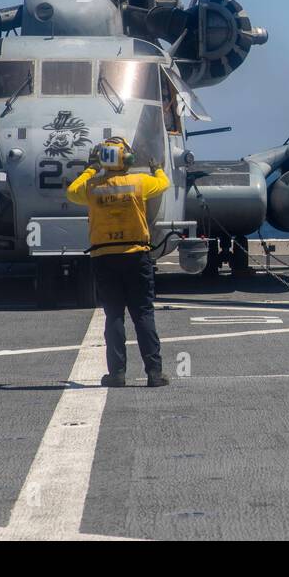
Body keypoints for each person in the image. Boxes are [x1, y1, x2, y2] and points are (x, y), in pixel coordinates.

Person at [66, 137, 171, 388]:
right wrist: (157, 168)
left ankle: (117, 374)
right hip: (136, 255)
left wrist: (91, 169)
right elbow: (164, 184)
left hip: (104, 257)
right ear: (128, 160)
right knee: (143, 313)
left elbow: (71, 192)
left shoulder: (92, 187)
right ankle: (154, 373)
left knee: (113, 315)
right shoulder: (139, 182)